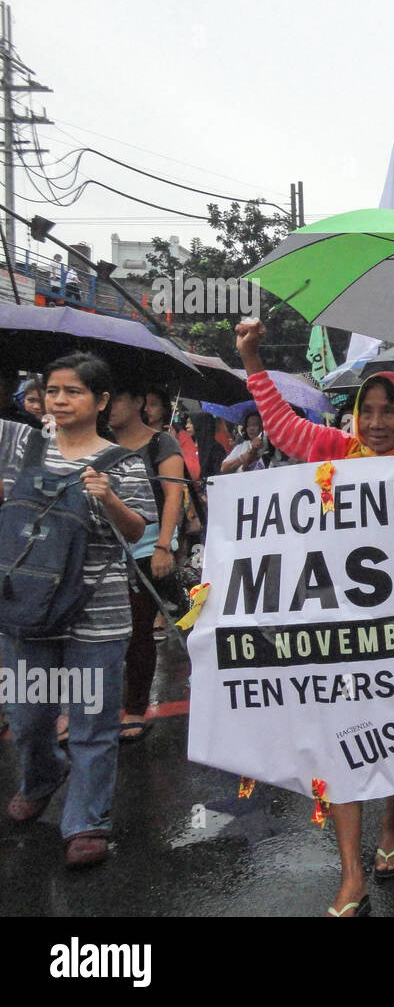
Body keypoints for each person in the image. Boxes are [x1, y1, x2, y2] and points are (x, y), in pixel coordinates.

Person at [236, 317, 394, 917]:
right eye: (366, 408)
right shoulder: (337, 450)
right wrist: (252, 362)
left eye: (388, 411)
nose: (374, 422)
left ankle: (392, 828)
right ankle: (351, 875)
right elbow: (285, 429)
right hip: (340, 634)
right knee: (344, 744)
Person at [0, 352, 155, 868]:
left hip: (97, 613)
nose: (60, 400)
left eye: (74, 391)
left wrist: (109, 498)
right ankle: (43, 775)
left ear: (102, 400)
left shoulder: (122, 462)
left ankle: (87, 821)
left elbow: (137, 532)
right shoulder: (23, 446)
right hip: (26, 608)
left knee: (92, 722)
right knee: (27, 718)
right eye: (52, 390)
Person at [107, 382, 185, 742]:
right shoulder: (96, 444)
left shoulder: (160, 442)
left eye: (116, 396)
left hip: (148, 549)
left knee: (139, 630)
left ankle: (135, 708)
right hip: (105, 553)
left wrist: (164, 547)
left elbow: (173, 495)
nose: (108, 404)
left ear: (138, 400)